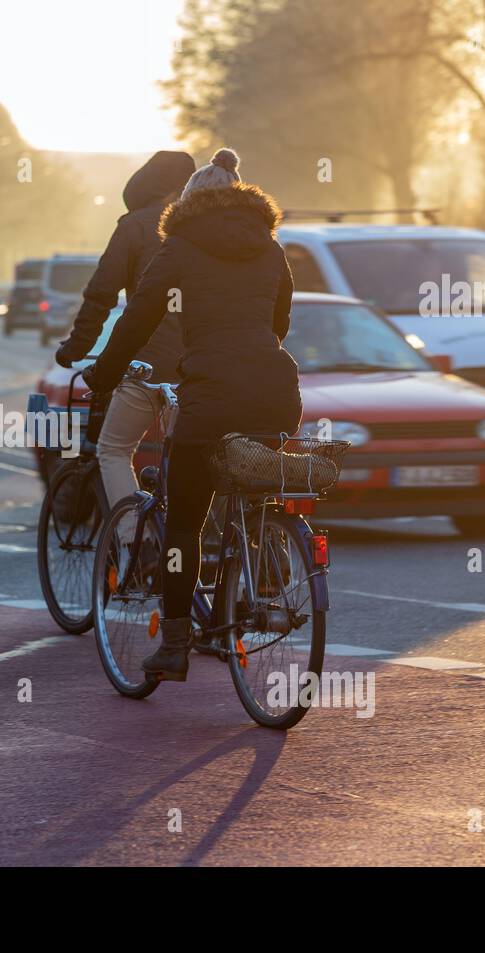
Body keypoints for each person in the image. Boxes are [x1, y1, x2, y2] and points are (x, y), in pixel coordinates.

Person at [84, 149, 302, 682]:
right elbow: (281, 322)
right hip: (275, 389)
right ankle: (259, 573)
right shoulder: (270, 248)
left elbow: (137, 319)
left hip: (209, 395)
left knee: (185, 520)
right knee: (247, 478)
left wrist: (104, 374)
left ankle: (176, 643)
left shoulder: (179, 248)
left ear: (187, 202)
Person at [53, 150, 196, 507]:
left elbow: (102, 293)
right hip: (206, 365)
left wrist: (75, 347)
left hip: (152, 363)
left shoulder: (135, 226)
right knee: (195, 453)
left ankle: (134, 541)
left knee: (114, 449)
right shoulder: (208, 228)